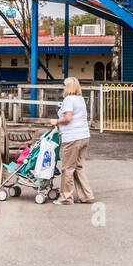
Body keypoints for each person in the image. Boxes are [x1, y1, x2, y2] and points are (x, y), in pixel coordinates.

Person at [48, 76, 95, 205]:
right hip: (84, 135)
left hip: (72, 138)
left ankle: (66, 198)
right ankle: (86, 195)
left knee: (67, 168)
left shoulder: (68, 99)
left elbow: (68, 118)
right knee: (78, 167)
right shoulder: (80, 99)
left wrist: (56, 121)